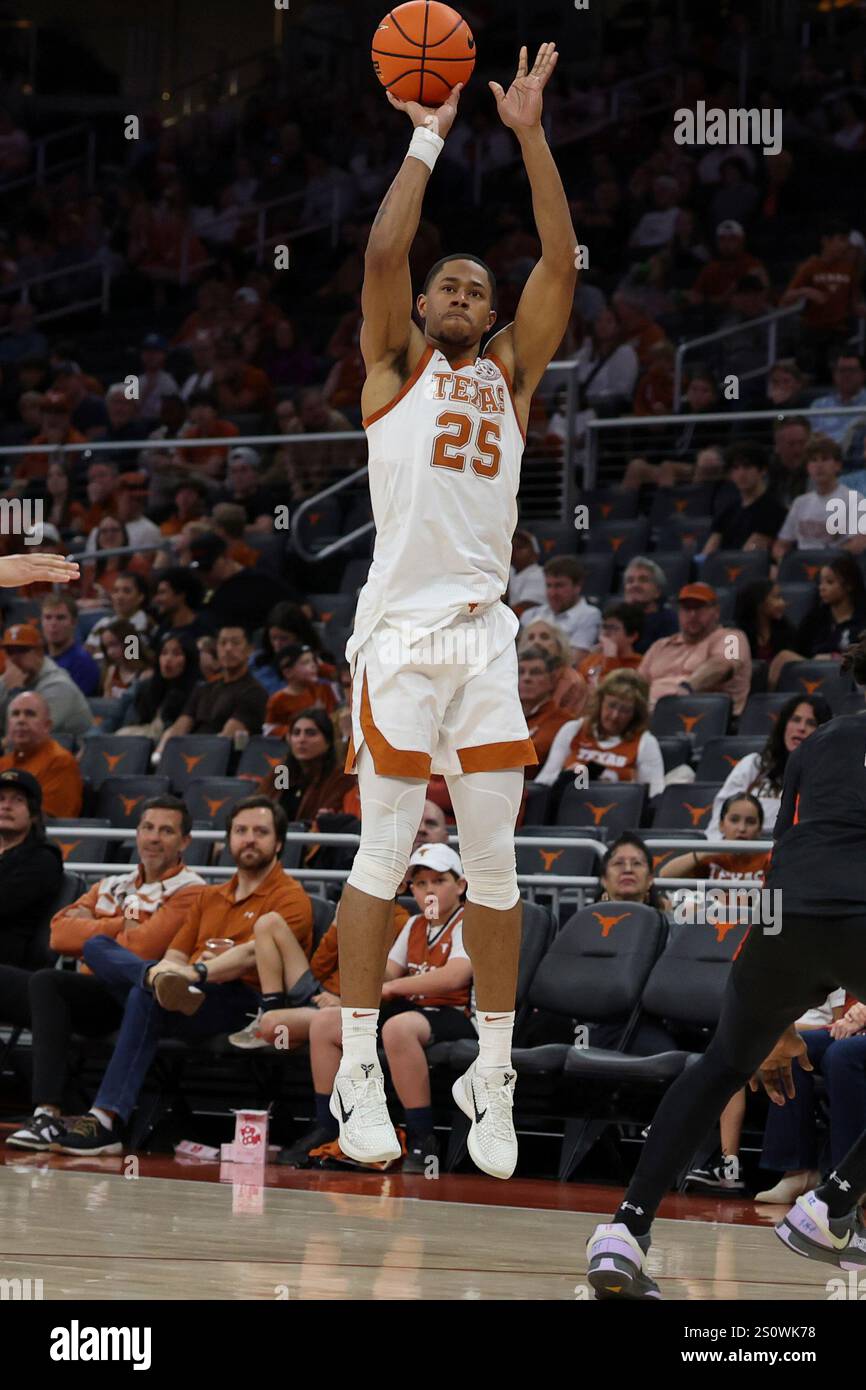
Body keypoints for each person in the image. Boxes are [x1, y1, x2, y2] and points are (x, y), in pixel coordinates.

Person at [335, 42, 576, 1178]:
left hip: (481, 635)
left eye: (479, 288)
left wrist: (526, 131)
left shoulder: (513, 376)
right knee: (385, 850)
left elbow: (562, 262)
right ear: (420, 305)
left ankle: (494, 1065)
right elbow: (385, 245)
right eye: (452, 285)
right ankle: (356, 1066)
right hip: (396, 633)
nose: (465, 295)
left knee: (494, 864)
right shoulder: (391, 366)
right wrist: (429, 131)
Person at [586, 636, 866, 1297]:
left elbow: (789, 850)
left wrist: (779, 1013)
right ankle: (834, 1203)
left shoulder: (817, 743)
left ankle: (624, 1229)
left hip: (780, 920)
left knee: (721, 1065)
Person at [48, 796, 313, 1154]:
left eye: (261, 832)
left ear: (278, 843)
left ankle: (105, 1119)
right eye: (241, 831)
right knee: (98, 947)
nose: (249, 839)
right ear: (228, 839)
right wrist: (167, 973)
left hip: (245, 1004)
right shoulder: (210, 896)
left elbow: (250, 956)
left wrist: (198, 969)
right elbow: (173, 955)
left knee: (145, 993)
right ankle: (147, 979)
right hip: (188, 992)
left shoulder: (291, 897)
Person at [3, 796, 205, 1151]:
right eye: (147, 828)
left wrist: (95, 926)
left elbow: (143, 948)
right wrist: (123, 924)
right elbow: (58, 934)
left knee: (48, 981)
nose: (154, 838)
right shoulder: (114, 882)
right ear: (137, 833)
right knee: (23, 980)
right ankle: (49, 1114)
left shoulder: (193, 890)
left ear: (184, 842)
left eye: (166, 831)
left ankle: (50, 1110)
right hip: (88, 993)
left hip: (134, 997)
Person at [282, 844, 475, 1173]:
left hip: (459, 1015)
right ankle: (329, 1127)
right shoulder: (414, 925)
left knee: (397, 1028)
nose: (429, 890)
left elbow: (455, 976)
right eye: (421, 883)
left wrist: (390, 988)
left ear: (460, 885)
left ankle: (422, 1136)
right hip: (412, 1012)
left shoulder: (471, 922)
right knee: (327, 1023)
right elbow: (384, 974)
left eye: (439, 881)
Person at [659, 793, 772, 1194]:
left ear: (761, 828)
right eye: (735, 820)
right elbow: (665, 876)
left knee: (730, 1057)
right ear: (721, 823)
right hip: (702, 975)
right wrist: (708, 850)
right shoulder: (713, 860)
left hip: (747, 975)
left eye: (750, 822)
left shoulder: (768, 861)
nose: (742, 829)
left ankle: (727, 1162)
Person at [753, 989, 862, 1205]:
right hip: (852, 1025)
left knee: (841, 1055)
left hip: (857, 1027)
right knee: (793, 1048)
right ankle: (798, 1172)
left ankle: (849, 1180)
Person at [707, 694, 832, 837]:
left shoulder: (827, 777)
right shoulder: (753, 765)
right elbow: (718, 821)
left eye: (811, 723)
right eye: (795, 720)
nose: (801, 728)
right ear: (783, 725)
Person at [535, 669, 665, 801]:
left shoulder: (645, 742)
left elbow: (654, 796)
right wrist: (568, 775)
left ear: (636, 713)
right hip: (568, 806)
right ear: (600, 701)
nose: (615, 716)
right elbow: (544, 781)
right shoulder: (573, 730)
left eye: (625, 710)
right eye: (611, 705)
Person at [638, 582, 752, 716]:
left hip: (705, 717)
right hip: (650, 716)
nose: (692, 615)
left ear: (716, 611)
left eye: (699, 608)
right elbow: (638, 683)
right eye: (686, 609)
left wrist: (686, 688)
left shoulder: (733, 638)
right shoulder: (659, 646)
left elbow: (723, 666)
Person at [155, 624, 267, 755]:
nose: (228, 648)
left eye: (235, 643)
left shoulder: (254, 692)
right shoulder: (204, 688)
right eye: (223, 643)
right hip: (188, 755)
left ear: (249, 650)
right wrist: (162, 753)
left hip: (220, 761)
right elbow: (181, 726)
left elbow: (226, 738)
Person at [0, 624, 93, 741]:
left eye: (21, 650)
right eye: (9, 652)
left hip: (72, 753)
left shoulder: (58, 686)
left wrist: (14, 692)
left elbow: (25, 737)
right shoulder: (9, 679)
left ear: (39, 652)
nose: (14, 658)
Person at [0, 691, 83, 818]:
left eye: (30, 714)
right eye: (15, 714)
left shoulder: (60, 762)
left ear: (47, 726)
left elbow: (48, 819)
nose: (21, 720)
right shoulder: (4, 763)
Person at [269, 708, 360, 823]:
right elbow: (264, 806)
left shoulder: (340, 778)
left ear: (327, 741)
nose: (301, 739)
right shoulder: (283, 771)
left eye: (311, 733)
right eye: (296, 733)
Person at [700, 444, 787, 555]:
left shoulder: (774, 509)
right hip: (726, 567)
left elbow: (750, 553)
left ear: (763, 470)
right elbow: (709, 550)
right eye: (736, 468)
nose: (741, 474)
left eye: (747, 467)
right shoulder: (728, 510)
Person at [116, 632, 201, 739]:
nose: (168, 659)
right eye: (164, 653)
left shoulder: (198, 691)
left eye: (176, 654)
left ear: (189, 659)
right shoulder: (146, 686)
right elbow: (133, 721)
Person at [518, 556, 602, 659]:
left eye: (559, 586)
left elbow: (575, 659)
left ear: (577, 587)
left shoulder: (589, 615)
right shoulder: (530, 615)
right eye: (549, 586)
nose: (552, 593)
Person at [793, 553, 866, 660]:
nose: (822, 588)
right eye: (820, 582)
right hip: (815, 674)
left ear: (849, 585)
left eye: (829, 582)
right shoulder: (814, 618)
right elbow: (799, 652)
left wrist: (833, 658)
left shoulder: (862, 619)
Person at [518, 645, 573, 773]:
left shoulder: (561, 720)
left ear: (552, 680)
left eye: (535, 672)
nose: (527, 678)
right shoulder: (501, 716)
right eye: (520, 672)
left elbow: (531, 757)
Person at [732, 580, 801, 681]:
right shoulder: (735, 634)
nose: (782, 603)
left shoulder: (788, 630)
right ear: (759, 603)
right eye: (776, 598)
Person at [264, 644, 337, 737]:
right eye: (305, 662)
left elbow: (335, 715)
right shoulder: (278, 700)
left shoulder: (324, 689)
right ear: (288, 672)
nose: (313, 665)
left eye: (313, 661)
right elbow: (269, 729)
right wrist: (295, 732)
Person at [39, 593, 99, 696]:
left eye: (60, 618)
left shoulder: (83, 663)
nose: (53, 623)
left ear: (74, 623)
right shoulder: (38, 659)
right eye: (48, 617)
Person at [622, 557, 677, 653]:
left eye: (643, 580)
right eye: (630, 581)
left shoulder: (669, 621)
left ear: (658, 591)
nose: (635, 585)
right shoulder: (616, 619)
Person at [150, 566, 210, 644]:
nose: (156, 599)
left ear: (180, 595)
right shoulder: (163, 629)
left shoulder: (204, 627)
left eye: (162, 592)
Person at [97, 619, 153, 699]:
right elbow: (106, 705)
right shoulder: (112, 671)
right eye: (106, 647)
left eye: (114, 644)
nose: (110, 652)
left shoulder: (146, 675)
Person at [507, 528, 546, 619]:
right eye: (512, 547)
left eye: (520, 547)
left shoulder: (539, 573)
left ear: (535, 554)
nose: (514, 551)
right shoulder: (511, 571)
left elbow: (525, 606)